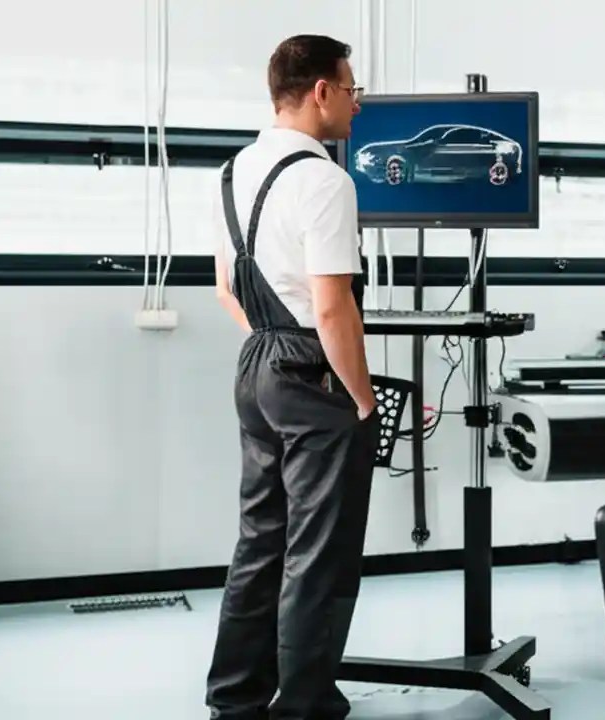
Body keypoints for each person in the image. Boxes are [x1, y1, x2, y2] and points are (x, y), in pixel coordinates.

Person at [204, 34, 378, 720]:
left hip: (257, 365)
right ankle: (303, 704)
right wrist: (361, 400)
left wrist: (272, 352)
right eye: (352, 89)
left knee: (260, 538)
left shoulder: (233, 172)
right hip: (309, 370)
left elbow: (225, 287)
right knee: (318, 548)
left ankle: (235, 698)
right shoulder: (323, 180)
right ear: (321, 92)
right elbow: (333, 307)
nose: (357, 105)